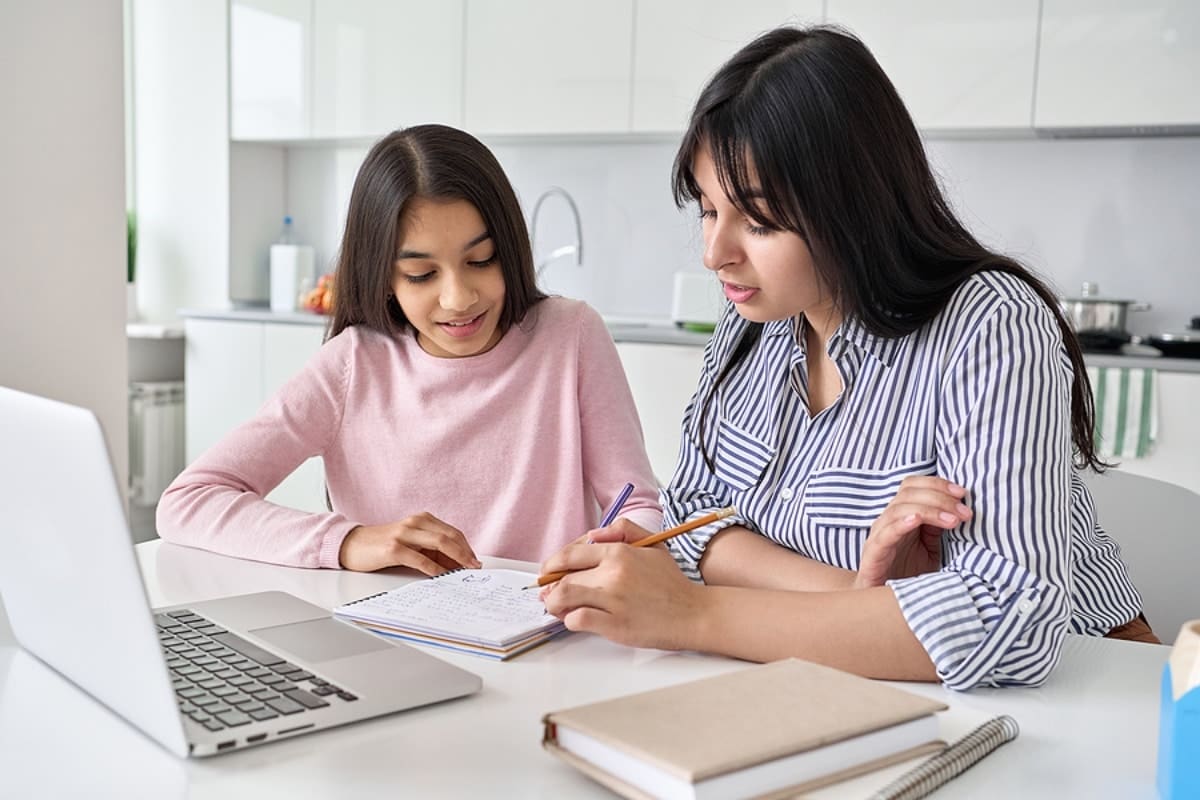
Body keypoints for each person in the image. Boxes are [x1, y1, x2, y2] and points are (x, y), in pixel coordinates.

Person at [538, 26, 1156, 690]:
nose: (715, 253)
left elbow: (1009, 619)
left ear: (853, 205)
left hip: (1087, 693)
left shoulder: (991, 325)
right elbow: (692, 522)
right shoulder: (757, 318)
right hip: (847, 679)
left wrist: (694, 613)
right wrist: (855, 596)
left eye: (759, 222)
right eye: (708, 210)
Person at [157, 124, 660, 574]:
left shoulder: (570, 336)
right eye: (421, 274)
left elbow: (636, 504)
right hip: (387, 634)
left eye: (482, 261)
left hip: (545, 634)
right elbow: (187, 501)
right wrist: (348, 541)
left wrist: (628, 547)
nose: (458, 298)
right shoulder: (354, 364)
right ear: (384, 277)